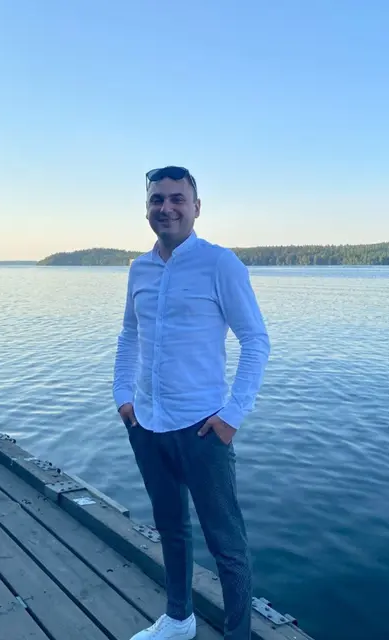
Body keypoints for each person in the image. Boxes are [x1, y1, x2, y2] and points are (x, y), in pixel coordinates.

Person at [113, 166, 270, 640]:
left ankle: (237, 635)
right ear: (147, 208)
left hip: (203, 428)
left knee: (227, 545)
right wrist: (123, 397)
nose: (167, 208)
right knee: (171, 528)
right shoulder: (139, 269)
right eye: (157, 199)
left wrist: (232, 415)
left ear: (196, 207)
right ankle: (179, 619)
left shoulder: (220, 264)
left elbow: (255, 340)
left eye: (177, 198)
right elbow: (129, 335)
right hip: (147, 424)